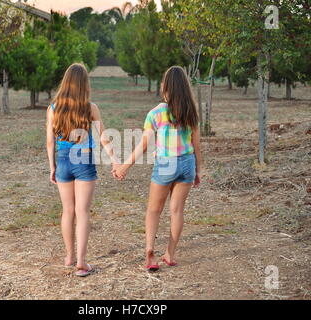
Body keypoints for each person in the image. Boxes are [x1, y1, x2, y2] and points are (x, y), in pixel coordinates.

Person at [113, 66, 202, 271]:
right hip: (187, 163)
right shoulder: (191, 112)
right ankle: (170, 254)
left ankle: (150, 253)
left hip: (166, 163)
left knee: (154, 210)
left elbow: (144, 145)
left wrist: (124, 166)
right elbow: (197, 145)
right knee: (177, 210)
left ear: (165, 86)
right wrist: (198, 171)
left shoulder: (156, 113)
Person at [46, 63, 119, 277]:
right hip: (84, 159)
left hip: (63, 160)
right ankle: (81, 262)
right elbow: (103, 137)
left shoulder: (53, 108)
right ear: (84, 84)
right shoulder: (90, 107)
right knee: (82, 212)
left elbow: (50, 141)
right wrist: (114, 160)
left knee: (68, 211)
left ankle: (69, 257)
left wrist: (52, 166)